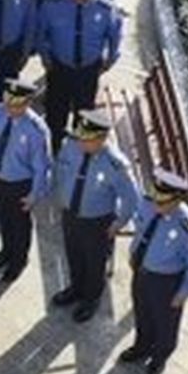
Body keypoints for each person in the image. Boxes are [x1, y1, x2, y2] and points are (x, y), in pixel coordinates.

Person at [50, 109, 140, 322]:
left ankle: (90, 299)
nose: (81, 143)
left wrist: (118, 224)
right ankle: (75, 288)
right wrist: (60, 197)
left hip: (97, 222)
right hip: (71, 214)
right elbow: (59, 171)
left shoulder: (115, 164)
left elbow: (131, 198)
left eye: (87, 140)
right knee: (73, 254)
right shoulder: (71, 146)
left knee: (94, 263)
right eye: (81, 137)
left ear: (102, 138)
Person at [120, 168, 188, 374]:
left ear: (177, 200)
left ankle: (158, 360)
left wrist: (182, 294)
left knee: (165, 325)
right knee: (142, 313)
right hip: (141, 272)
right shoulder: (148, 202)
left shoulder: (187, 227)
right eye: (155, 199)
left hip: (166, 282)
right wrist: (134, 254)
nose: (156, 205)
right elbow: (140, 228)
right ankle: (142, 347)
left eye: (162, 202)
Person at [36, 0, 122, 152]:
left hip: (88, 70)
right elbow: (41, 33)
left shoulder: (105, 9)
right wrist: (45, 57)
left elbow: (115, 36)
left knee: (83, 115)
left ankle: (75, 153)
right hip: (59, 68)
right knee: (55, 112)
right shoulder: (53, 5)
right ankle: (54, 150)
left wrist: (110, 60)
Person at [0, 78, 51, 283]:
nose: (10, 108)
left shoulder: (35, 130)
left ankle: (18, 260)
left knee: (20, 226)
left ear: (28, 102)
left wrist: (34, 195)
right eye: (7, 102)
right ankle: (6, 251)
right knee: (4, 220)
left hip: (20, 186)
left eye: (16, 105)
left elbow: (42, 167)